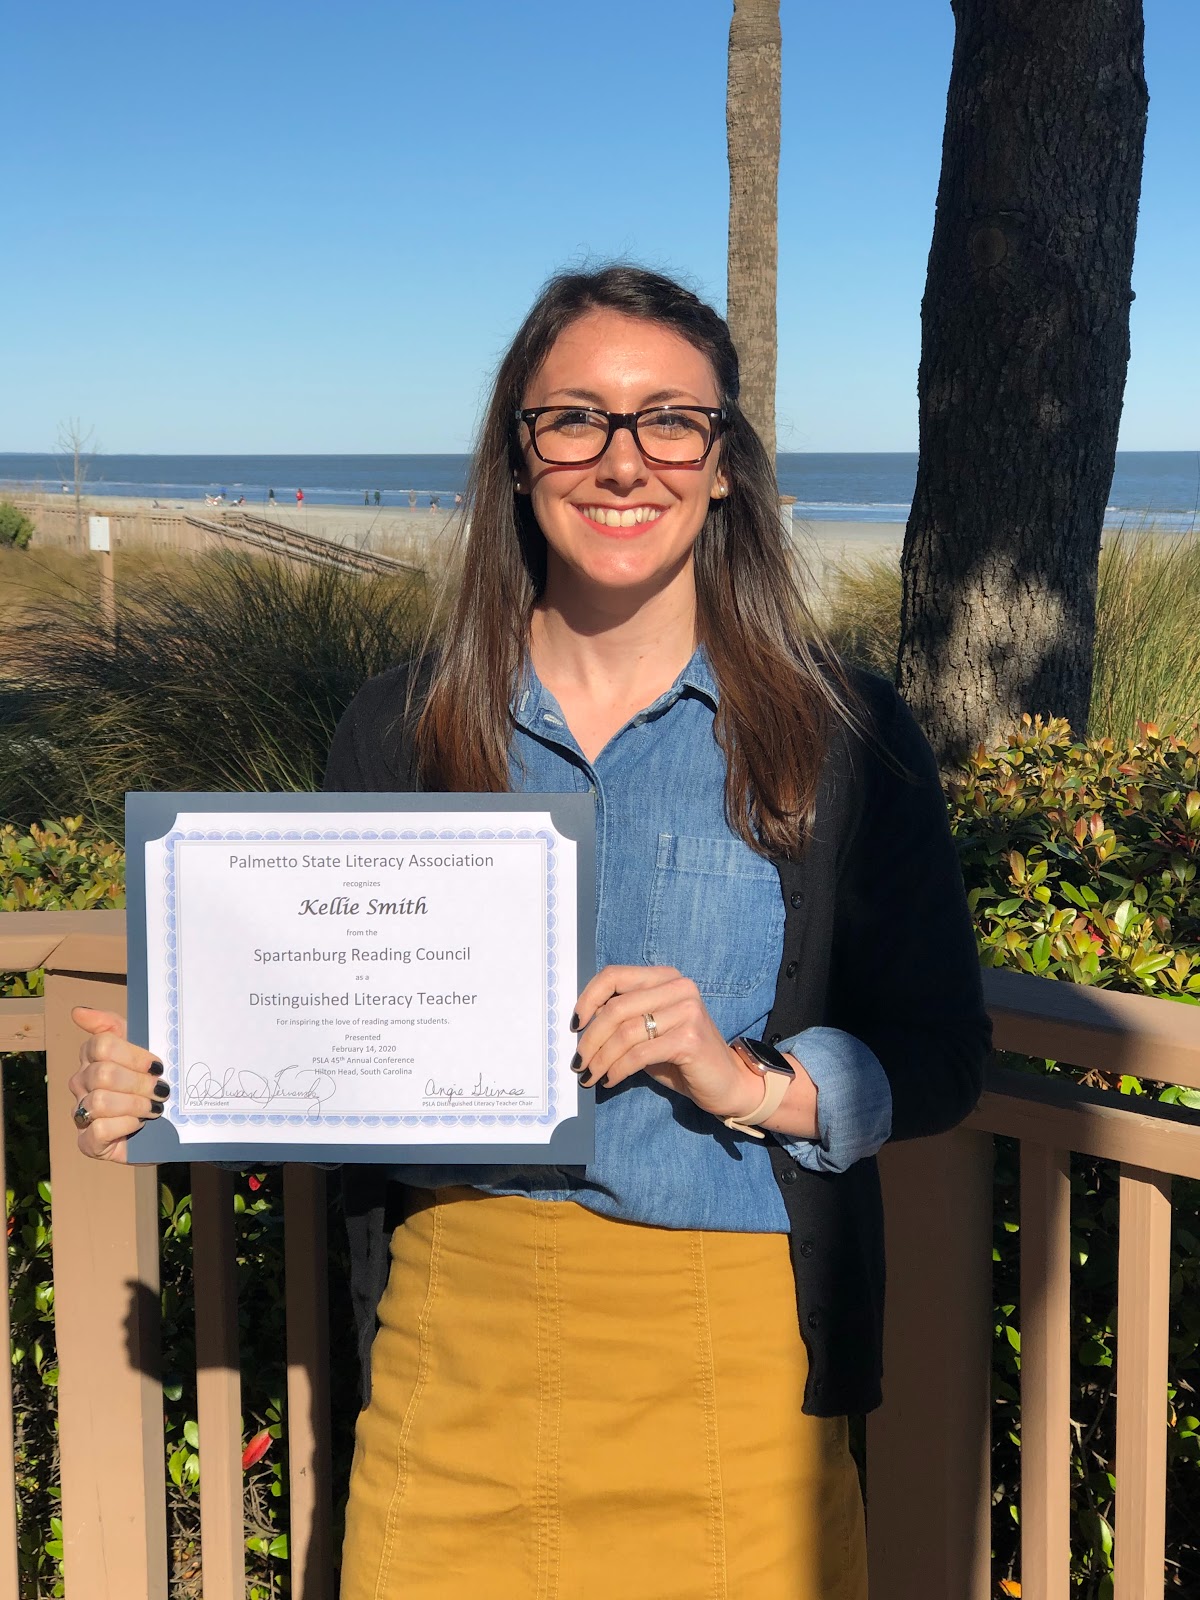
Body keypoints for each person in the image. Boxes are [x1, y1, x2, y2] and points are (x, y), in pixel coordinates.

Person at [66, 265, 989, 1599]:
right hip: (457, 1340)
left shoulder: (841, 732)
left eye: (672, 420)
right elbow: (336, 1037)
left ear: (724, 464)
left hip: (732, 1354)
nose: (626, 463)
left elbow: (941, 1048)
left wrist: (754, 1082)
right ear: (520, 455)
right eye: (577, 421)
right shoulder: (402, 724)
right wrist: (166, 1084)